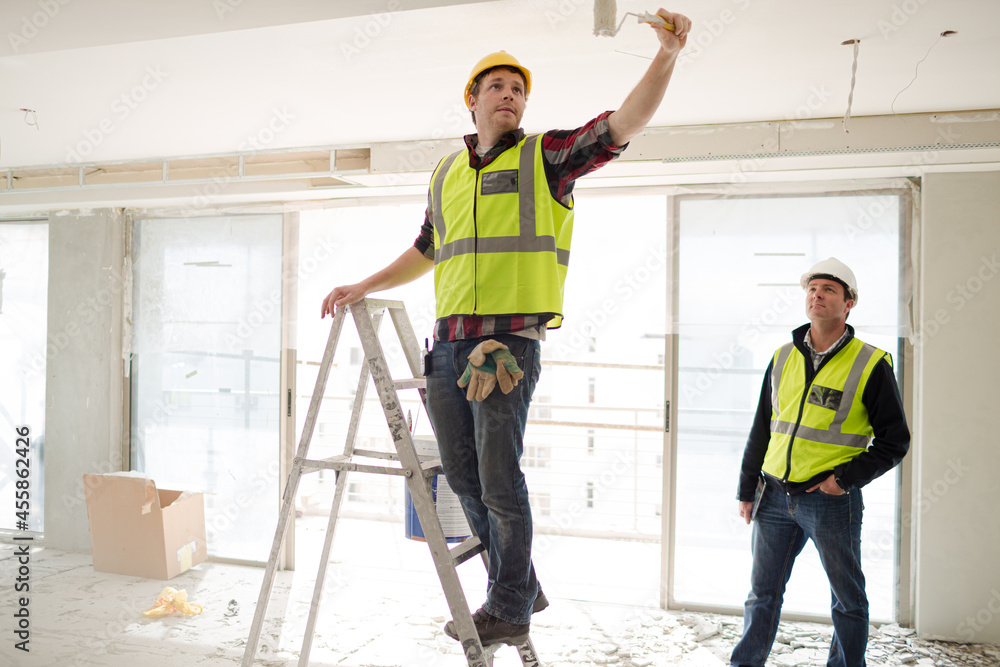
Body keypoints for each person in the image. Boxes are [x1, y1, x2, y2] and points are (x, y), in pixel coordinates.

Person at [321, 9, 691, 647]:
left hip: (505, 347)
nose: (509, 96)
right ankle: (522, 585)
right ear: (472, 100)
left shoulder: (543, 157)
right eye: (496, 87)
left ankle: (511, 605)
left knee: (498, 477)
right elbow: (428, 249)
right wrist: (365, 285)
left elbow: (620, 127)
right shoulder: (446, 173)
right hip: (448, 345)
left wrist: (665, 56)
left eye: (517, 89)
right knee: (461, 477)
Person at [731, 258, 911, 667]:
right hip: (773, 497)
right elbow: (762, 428)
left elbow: (894, 441)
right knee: (762, 594)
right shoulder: (781, 357)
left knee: (848, 600)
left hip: (830, 501)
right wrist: (747, 489)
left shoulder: (871, 363)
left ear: (849, 304)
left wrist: (842, 481)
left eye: (829, 289)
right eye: (812, 289)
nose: (818, 295)